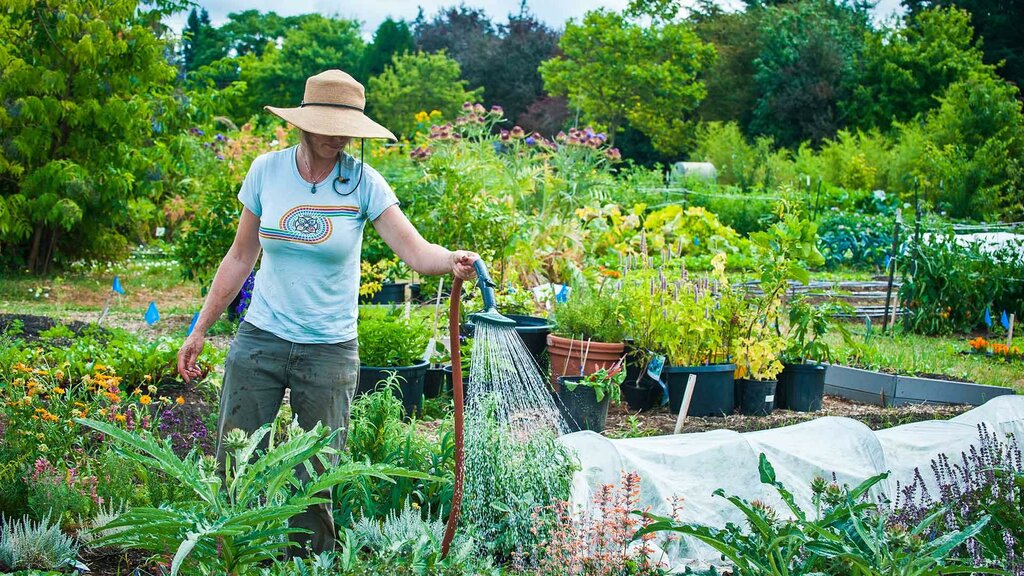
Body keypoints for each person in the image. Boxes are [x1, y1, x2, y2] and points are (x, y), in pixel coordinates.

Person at [175, 69, 479, 554]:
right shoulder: (267, 172)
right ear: (304, 122)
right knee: (234, 465)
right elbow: (239, 256)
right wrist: (199, 329)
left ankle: (306, 565)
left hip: (329, 349)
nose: (338, 135)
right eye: (327, 123)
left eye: (347, 125)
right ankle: (232, 560)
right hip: (261, 338)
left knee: (314, 481)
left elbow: (417, 253)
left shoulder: (363, 183)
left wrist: (452, 261)